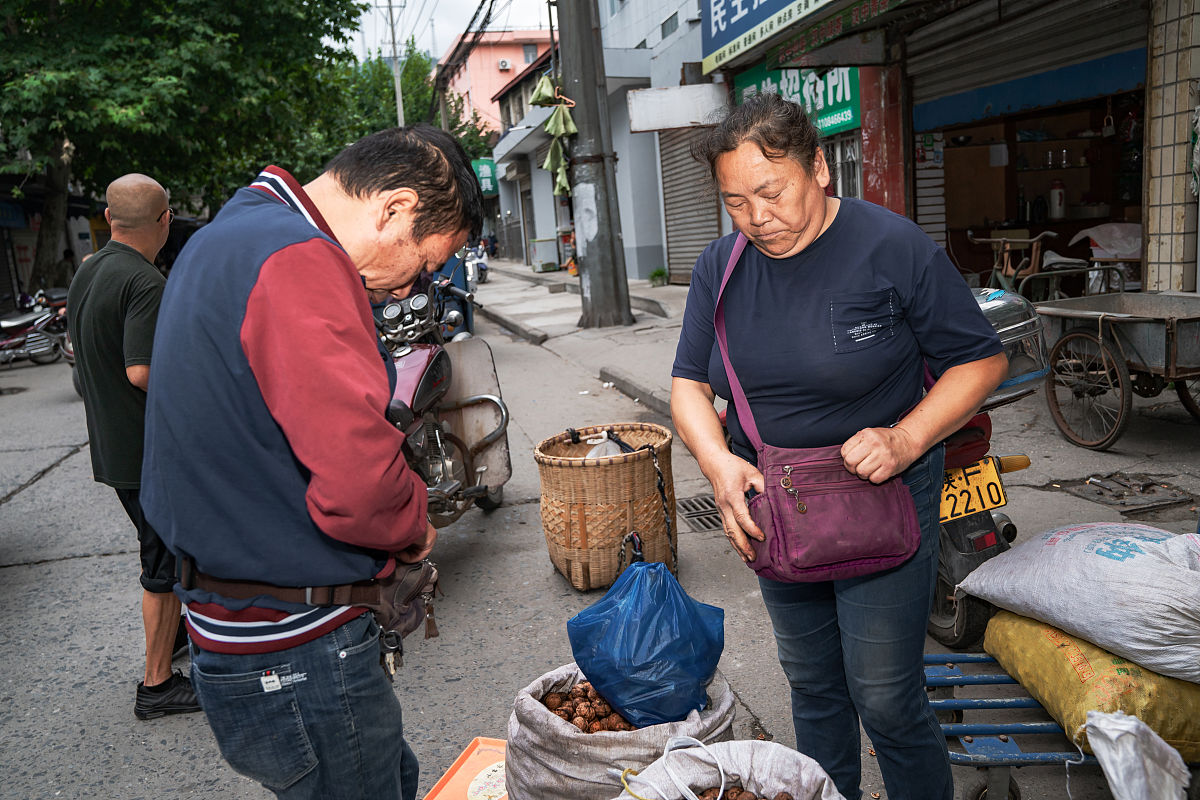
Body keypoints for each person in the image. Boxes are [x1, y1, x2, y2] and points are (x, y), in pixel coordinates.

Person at [670, 94, 1008, 800]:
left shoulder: (893, 248)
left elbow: (980, 360)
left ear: (819, 167)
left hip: (882, 491)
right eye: (736, 203)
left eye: (771, 192)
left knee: (884, 694)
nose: (757, 218)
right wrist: (718, 464)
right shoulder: (720, 267)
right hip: (776, 500)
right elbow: (688, 386)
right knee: (816, 689)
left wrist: (907, 436)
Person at [140, 126, 481, 799]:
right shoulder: (297, 260)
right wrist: (414, 522)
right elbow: (360, 486)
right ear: (394, 209)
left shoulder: (232, 233)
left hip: (231, 619)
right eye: (423, 263)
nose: (409, 287)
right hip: (292, 648)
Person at [66, 174, 200, 721]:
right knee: (162, 562)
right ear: (165, 220)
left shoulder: (90, 270)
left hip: (113, 445)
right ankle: (157, 684)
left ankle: (173, 642)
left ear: (108, 216)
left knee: (167, 553)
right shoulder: (146, 283)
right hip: (147, 450)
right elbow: (141, 370)